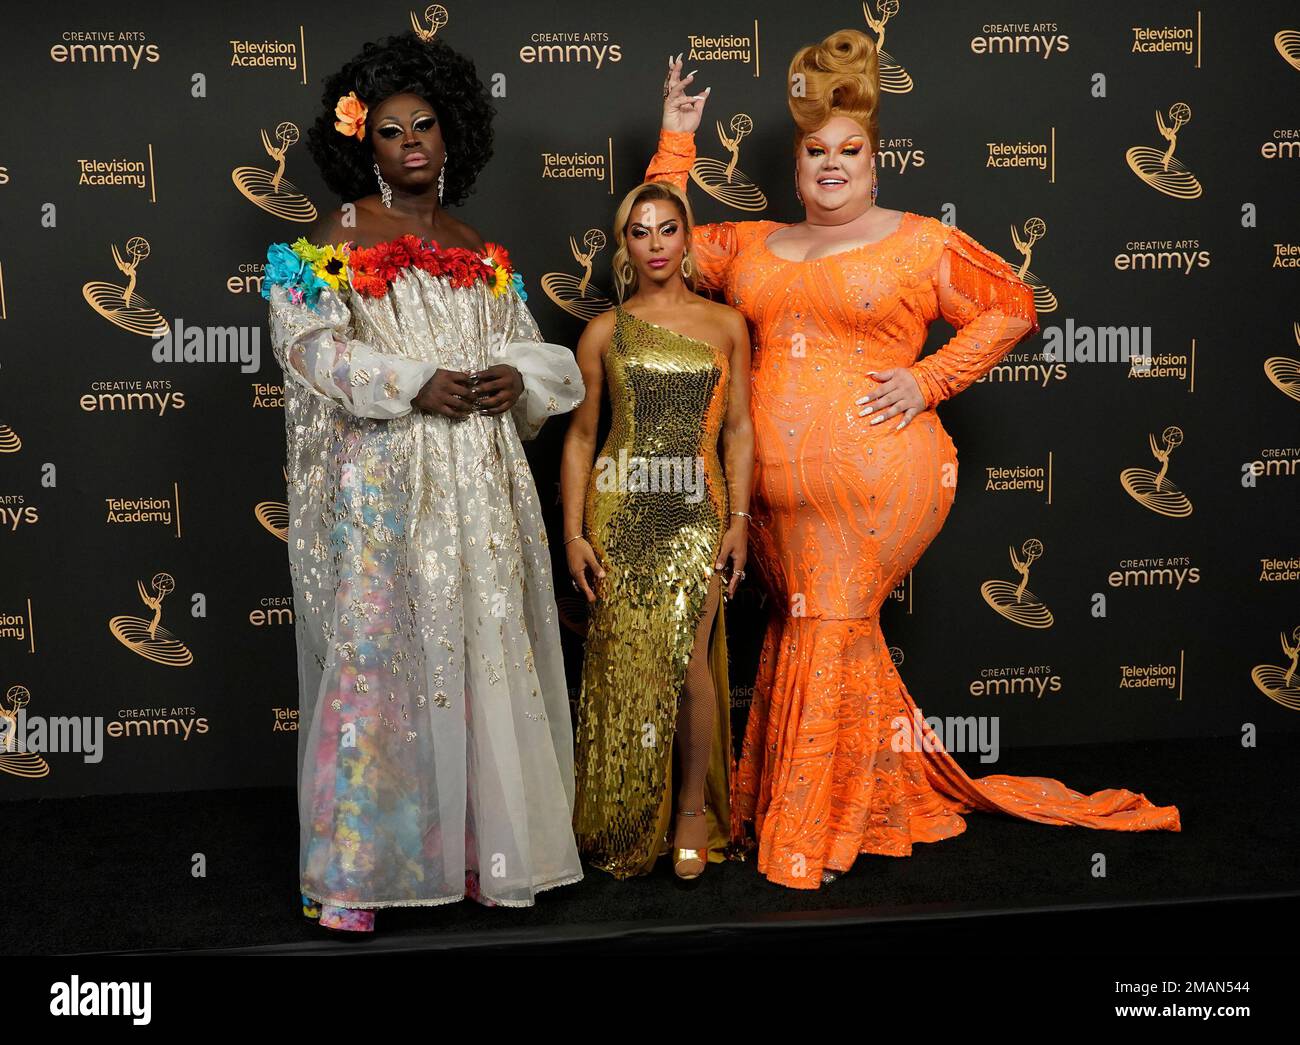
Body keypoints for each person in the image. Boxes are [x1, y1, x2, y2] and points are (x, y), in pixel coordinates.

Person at [644, 30, 1180, 890]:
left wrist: (928, 380)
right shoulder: (752, 245)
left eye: (848, 151)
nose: (830, 163)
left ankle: (809, 831)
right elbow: (657, 232)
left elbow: (1010, 306)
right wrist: (676, 136)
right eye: (815, 151)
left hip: (880, 480)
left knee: (830, 622)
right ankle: (857, 792)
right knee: (815, 629)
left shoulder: (918, 240)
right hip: (767, 496)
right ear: (796, 166)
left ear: (875, 164)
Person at [263, 31, 585, 930]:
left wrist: (517, 374)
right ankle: (357, 874)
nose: (410, 142)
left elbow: (527, 342)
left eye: (426, 125)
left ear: (453, 137)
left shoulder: (476, 245)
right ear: (362, 143)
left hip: (478, 478)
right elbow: (306, 344)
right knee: (380, 658)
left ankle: (483, 854)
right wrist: (410, 381)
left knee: (480, 652)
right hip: (386, 478)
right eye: (391, 130)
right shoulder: (339, 233)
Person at [562, 181, 754, 879]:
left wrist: (739, 520)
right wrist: (575, 535)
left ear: (687, 236)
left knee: (688, 661)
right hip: (620, 510)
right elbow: (582, 438)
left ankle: (691, 812)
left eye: (667, 229)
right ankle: (619, 815)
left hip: (697, 510)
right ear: (625, 246)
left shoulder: (727, 324)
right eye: (639, 233)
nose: (655, 245)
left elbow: (738, 429)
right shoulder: (604, 331)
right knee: (620, 661)